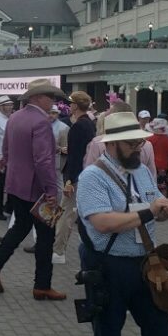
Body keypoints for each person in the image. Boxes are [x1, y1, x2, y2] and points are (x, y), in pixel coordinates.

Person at [75, 111, 168, 336]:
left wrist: (167, 210)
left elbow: (154, 207)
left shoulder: (142, 171)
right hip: (107, 264)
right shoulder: (92, 176)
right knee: (108, 334)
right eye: (131, 143)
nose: (138, 148)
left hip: (145, 262)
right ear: (111, 144)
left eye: (140, 142)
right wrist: (151, 211)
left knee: (159, 326)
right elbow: (102, 223)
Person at [0, 78, 67, 300]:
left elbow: (7, 150)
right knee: (46, 236)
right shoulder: (41, 123)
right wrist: (51, 191)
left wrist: (1, 166)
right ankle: (42, 285)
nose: (53, 101)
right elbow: (43, 161)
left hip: (16, 184)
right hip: (37, 187)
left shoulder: (15, 118)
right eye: (50, 96)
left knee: (20, 227)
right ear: (38, 97)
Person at [54, 90, 96, 265]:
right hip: (86, 174)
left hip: (77, 176)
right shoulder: (90, 124)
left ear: (76, 106)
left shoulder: (78, 126)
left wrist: (70, 180)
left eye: (71, 103)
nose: (69, 106)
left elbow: (75, 155)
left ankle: (57, 250)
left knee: (65, 213)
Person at [146, 118, 168, 196]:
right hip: (164, 166)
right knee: (163, 186)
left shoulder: (150, 139)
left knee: (151, 186)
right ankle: (164, 203)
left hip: (152, 165)